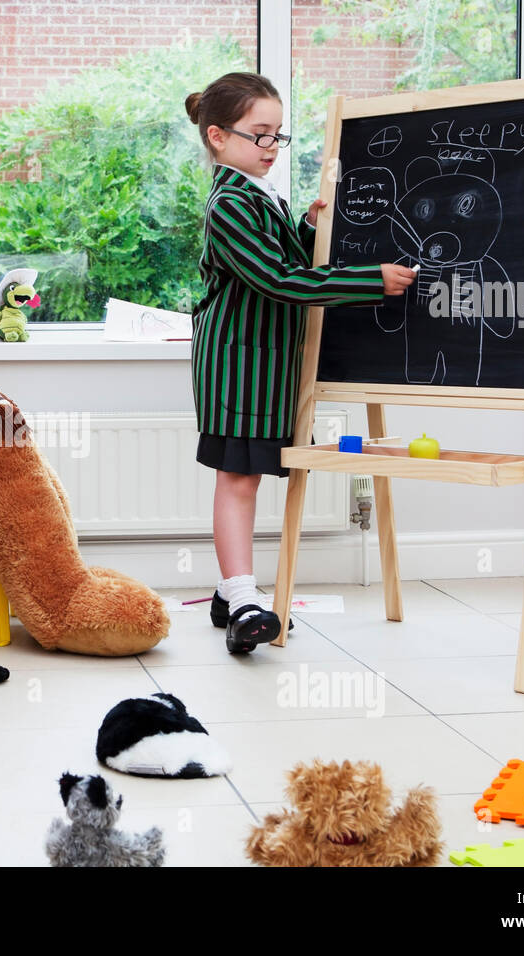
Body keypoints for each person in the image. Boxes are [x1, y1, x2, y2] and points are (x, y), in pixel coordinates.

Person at [185, 73, 414, 654]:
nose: (270, 146)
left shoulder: (261, 198)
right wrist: (371, 280)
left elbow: (284, 252)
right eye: (259, 134)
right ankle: (242, 601)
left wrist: (307, 228)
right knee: (238, 476)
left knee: (253, 472)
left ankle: (228, 590)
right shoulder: (231, 204)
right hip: (238, 365)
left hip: (267, 363)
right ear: (217, 136)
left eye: (276, 136)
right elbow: (278, 278)